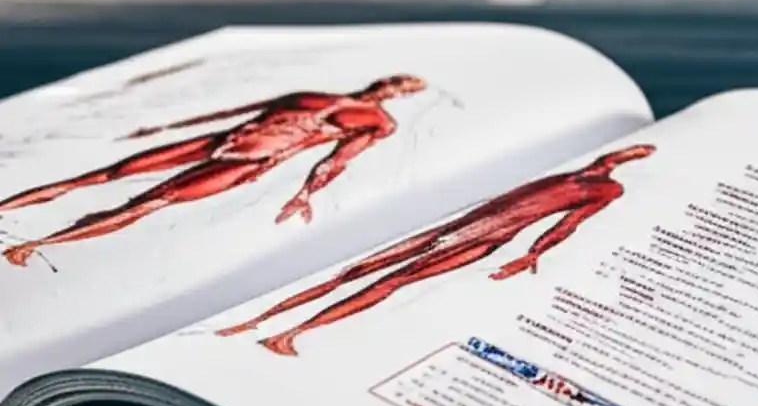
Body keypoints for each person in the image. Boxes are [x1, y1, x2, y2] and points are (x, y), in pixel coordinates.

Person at [216, 144, 656, 356]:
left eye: (638, 151)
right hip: (458, 224)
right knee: (349, 272)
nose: (629, 152)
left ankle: (291, 334)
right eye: (633, 148)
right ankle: (258, 321)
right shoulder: (575, 164)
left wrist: (534, 253)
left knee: (392, 282)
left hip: (487, 238)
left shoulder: (608, 189)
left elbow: (569, 221)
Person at [0, 74, 426, 266]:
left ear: (402, 97)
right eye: (397, 79)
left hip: (252, 160)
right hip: (218, 139)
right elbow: (238, 110)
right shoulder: (314, 92)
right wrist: (168, 126)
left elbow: (337, 159)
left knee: (149, 202)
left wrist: (306, 193)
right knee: (105, 174)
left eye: (405, 88)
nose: (394, 87)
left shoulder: (377, 123)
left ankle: (38, 243)